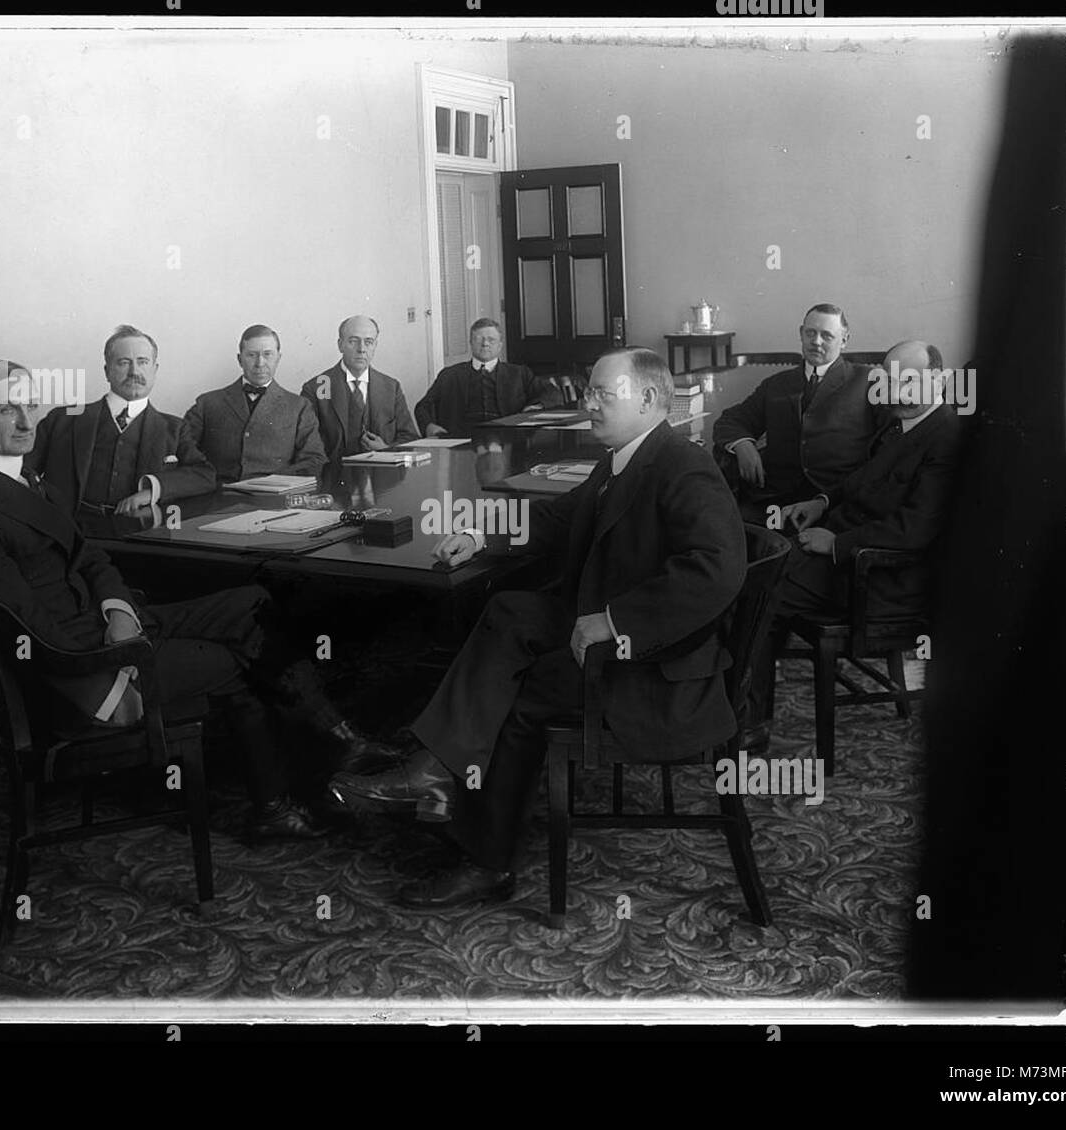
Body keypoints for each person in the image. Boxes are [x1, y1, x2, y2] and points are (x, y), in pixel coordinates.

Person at [329, 348, 747, 907]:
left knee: (520, 688)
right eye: (589, 391)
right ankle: (436, 767)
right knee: (509, 611)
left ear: (648, 400)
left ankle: (488, 860)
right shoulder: (624, 456)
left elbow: (717, 569)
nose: (588, 404)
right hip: (616, 636)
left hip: (659, 669)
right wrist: (482, 534)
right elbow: (556, 516)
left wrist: (617, 621)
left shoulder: (682, 465)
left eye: (603, 394)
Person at [0, 360, 383, 838]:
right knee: (238, 659)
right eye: (5, 409)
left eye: (29, 405)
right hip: (87, 673)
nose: (26, 423)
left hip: (107, 629)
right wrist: (119, 648)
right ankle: (283, 796)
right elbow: (31, 632)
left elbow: (92, 559)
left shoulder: (19, 479)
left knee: (252, 603)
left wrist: (119, 610)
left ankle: (335, 742)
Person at [746, 340, 964, 731]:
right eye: (890, 380)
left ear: (940, 379)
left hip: (882, 578)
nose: (897, 391)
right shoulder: (899, 425)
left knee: (762, 591)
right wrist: (821, 501)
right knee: (756, 561)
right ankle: (738, 706)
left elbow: (916, 528)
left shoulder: (946, 436)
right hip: (849, 557)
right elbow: (859, 481)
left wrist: (836, 544)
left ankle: (748, 726)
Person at [713, 303, 882, 522]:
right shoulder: (777, 384)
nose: (816, 341)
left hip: (836, 503)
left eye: (827, 335)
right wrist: (743, 444)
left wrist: (830, 498)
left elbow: (889, 444)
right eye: (810, 333)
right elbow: (731, 420)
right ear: (801, 334)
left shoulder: (868, 381)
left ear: (844, 340)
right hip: (775, 499)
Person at [25, 324, 215, 516]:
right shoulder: (62, 420)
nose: (134, 371)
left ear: (154, 370)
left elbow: (205, 475)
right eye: (124, 362)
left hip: (141, 536)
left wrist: (153, 491)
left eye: (142, 362)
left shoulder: (174, 428)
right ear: (107, 371)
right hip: (67, 532)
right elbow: (22, 471)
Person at [183, 325, 326, 482]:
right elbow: (183, 450)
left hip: (274, 498)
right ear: (240, 359)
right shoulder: (207, 403)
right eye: (252, 355)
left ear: (278, 358)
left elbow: (314, 460)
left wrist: (275, 484)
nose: (260, 363)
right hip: (217, 496)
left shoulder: (299, 407)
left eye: (267, 354)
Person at [414, 318, 562, 438]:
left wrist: (536, 407)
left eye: (491, 340)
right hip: (462, 443)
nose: (485, 344)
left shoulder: (519, 373)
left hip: (509, 439)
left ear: (500, 345)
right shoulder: (450, 375)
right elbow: (422, 407)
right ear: (471, 344)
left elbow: (551, 394)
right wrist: (429, 426)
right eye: (479, 339)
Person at [300, 315, 419, 459]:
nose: (361, 349)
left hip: (381, 477)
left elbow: (410, 439)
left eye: (368, 342)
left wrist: (386, 450)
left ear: (375, 345)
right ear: (340, 345)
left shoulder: (391, 387)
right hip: (335, 477)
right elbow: (307, 446)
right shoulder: (318, 387)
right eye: (353, 341)